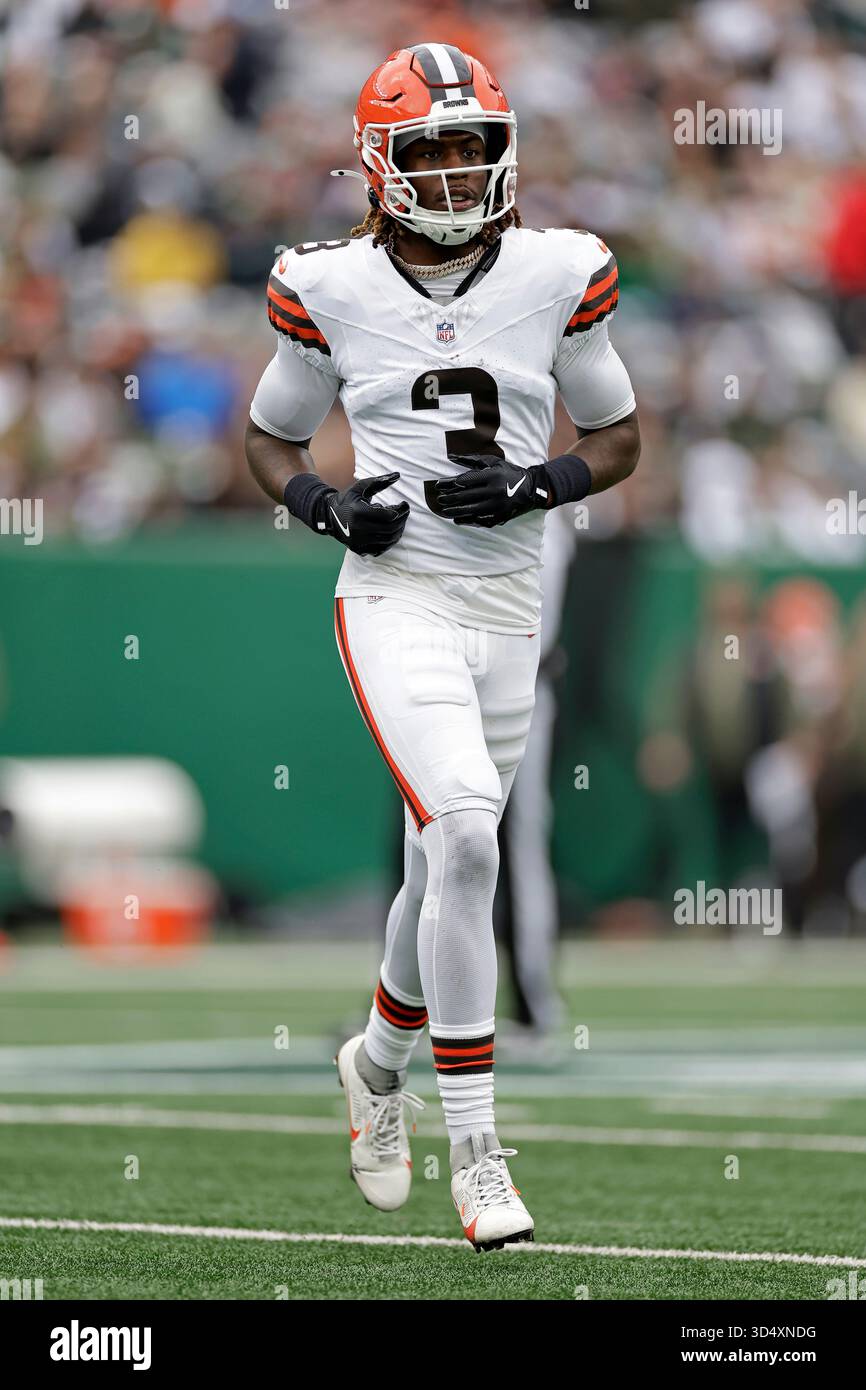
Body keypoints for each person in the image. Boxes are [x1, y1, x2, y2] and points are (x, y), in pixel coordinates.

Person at [245, 41, 639, 1251]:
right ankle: (475, 1149)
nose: (462, 173)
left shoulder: (558, 268)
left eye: (476, 147)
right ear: (380, 165)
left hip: (506, 607)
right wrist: (328, 508)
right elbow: (271, 442)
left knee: (436, 871)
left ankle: (374, 1061)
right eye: (435, 150)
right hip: (395, 594)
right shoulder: (330, 286)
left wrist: (538, 482)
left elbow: (618, 436)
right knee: (467, 830)